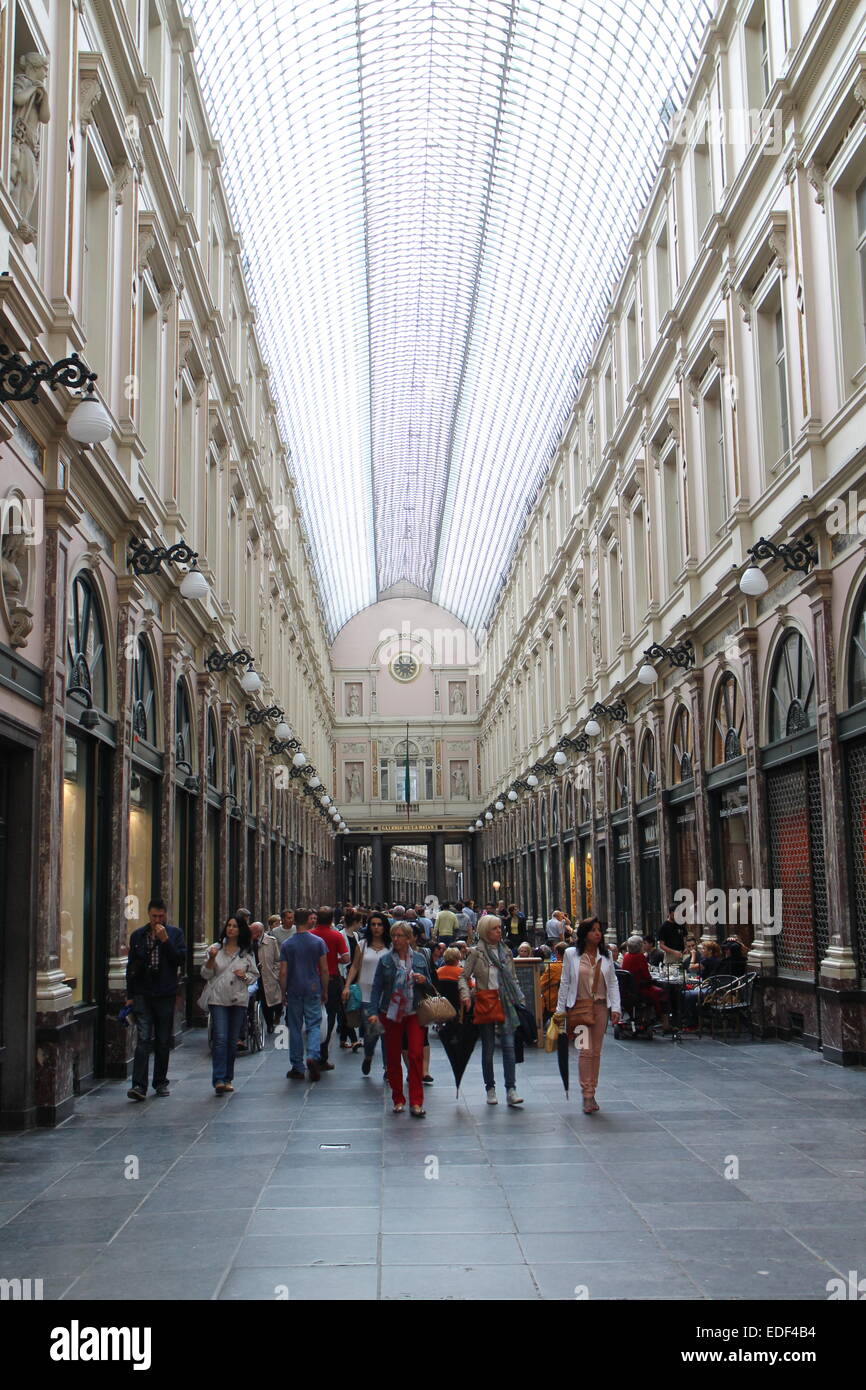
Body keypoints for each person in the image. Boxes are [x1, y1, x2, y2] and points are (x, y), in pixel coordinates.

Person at [459, 914, 526, 1107]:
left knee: (508, 1046)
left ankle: (511, 1089)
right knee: (488, 1048)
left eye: (499, 928)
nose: (499, 931)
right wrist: (465, 994)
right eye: (495, 928)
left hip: (505, 1001)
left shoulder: (506, 951)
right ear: (485, 931)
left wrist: (516, 994)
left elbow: (512, 976)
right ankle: (490, 1088)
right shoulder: (476, 953)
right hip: (485, 1001)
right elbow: (463, 976)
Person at [555, 917, 621, 1114]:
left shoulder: (606, 955)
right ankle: (587, 1094)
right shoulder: (570, 954)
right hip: (579, 1008)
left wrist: (616, 1007)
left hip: (600, 1008)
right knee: (585, 1051)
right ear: (584, 934)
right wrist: (560, 1010)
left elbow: (613, 982)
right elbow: (565, 982)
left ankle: (593, 1089)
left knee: (596, 1052)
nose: (597, 933)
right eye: (593, 930)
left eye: (599, 930)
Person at [125, 898, 186, 1101]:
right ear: (148, 915)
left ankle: (160, 1082)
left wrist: (165, 940)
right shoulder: (138, 936)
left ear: (165, 915)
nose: (157, 920)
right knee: (143, 1039)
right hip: (143, 992)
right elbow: (131, 967)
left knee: (162, 1040)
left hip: (165, 992)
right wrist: (129, 996)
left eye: (161, 916)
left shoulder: (175, 934)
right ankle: (138, 1085)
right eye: (154, 916)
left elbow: (179, 959)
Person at [370, 921, 433, 1116]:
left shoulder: (421, 960)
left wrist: (423, 981)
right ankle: (398, 1098)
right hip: (391, 1012)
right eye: (394, 936)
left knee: (415, 1054)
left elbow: (431, 986)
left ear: (408, 938)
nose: (396, 939)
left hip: (414, 1012)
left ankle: (416, 1100)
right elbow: (376, 988)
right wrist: (373, 1012)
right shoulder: (386, 961)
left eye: (400, 936)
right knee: (393, 1055)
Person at [201, 916, 259, 1094]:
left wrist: (244, 976)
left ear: (240, 930)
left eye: (234, 926)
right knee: (220, 1038)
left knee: (232, 1040)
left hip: (238, 1000)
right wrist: (211, 959)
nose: (231, 929)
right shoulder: (215, 949)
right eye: (229, 926)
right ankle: (218, 1078)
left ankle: (228, 1078)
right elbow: (205, 974)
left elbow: (254, 976)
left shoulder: (246, 952)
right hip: (218, 999)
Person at [279, 908, 328, 1081]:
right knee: (314, 1024)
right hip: (313, 987)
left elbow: (283, 972)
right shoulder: (318, 942)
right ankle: (313, 1055)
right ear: (309, 920)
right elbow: (323, 969)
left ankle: (297, 1066)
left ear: (294, 922)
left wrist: (282, 991)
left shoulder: (287, 945)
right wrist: (325, 989)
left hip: (294, 988)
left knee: (294, 1027)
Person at [342, 910, 391, 1077]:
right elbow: (354, 966)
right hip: (366, 995)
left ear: (385, 927)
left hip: (387, 996)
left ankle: (387, 1067)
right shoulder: (362, 944)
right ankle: (368, 1055)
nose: (376, 928)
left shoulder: (391, 947)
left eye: (379, 925)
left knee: (387, 1034)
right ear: (369, 927)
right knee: (371, 1033)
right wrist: (347, 986)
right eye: (373, 924)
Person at [311, 906, 351, 1068]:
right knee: (331, 1016)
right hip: (333, 979)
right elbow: (346, 957)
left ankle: (312, 1052)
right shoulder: (336, 935)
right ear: (332, 919)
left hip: (312, 979)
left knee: (312, 1016)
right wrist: (335, 960)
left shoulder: (310, 935)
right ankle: (323, 1055)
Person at [621, 933, 671, 1029]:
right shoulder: (640, 957)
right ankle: (665, 1024)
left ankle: (647, 1018)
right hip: (640, 989)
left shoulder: (626, 956)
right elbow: (647, 976)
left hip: (628, 990)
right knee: (663, 993)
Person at [680, 940, 728, 1027]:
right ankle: (692, 1019)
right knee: (687, 991)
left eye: (703, 949)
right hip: (712, 987)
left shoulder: (708, 960)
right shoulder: (713, 959)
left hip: (711, 990)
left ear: (710, 951)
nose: (701, 950)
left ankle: (692, 1022)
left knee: (686, 994)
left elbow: (691, 968)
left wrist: (693, 955)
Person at [250, 920, 282, 1032]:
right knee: (262, 1001)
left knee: (270, 1002)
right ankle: (268, 1024)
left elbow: (278, 960)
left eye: (253, 932)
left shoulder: (271, 941)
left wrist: (275, 973)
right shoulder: (248, 942)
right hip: (252, 977)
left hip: (268, 976)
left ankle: (274, 1018)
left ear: (259, 932)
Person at [539, 940, 567, 1023]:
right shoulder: (570, 966)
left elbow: (541, 983)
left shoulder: (553, 967)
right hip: (567, 1001)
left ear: (557, 953)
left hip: (552, 1002)